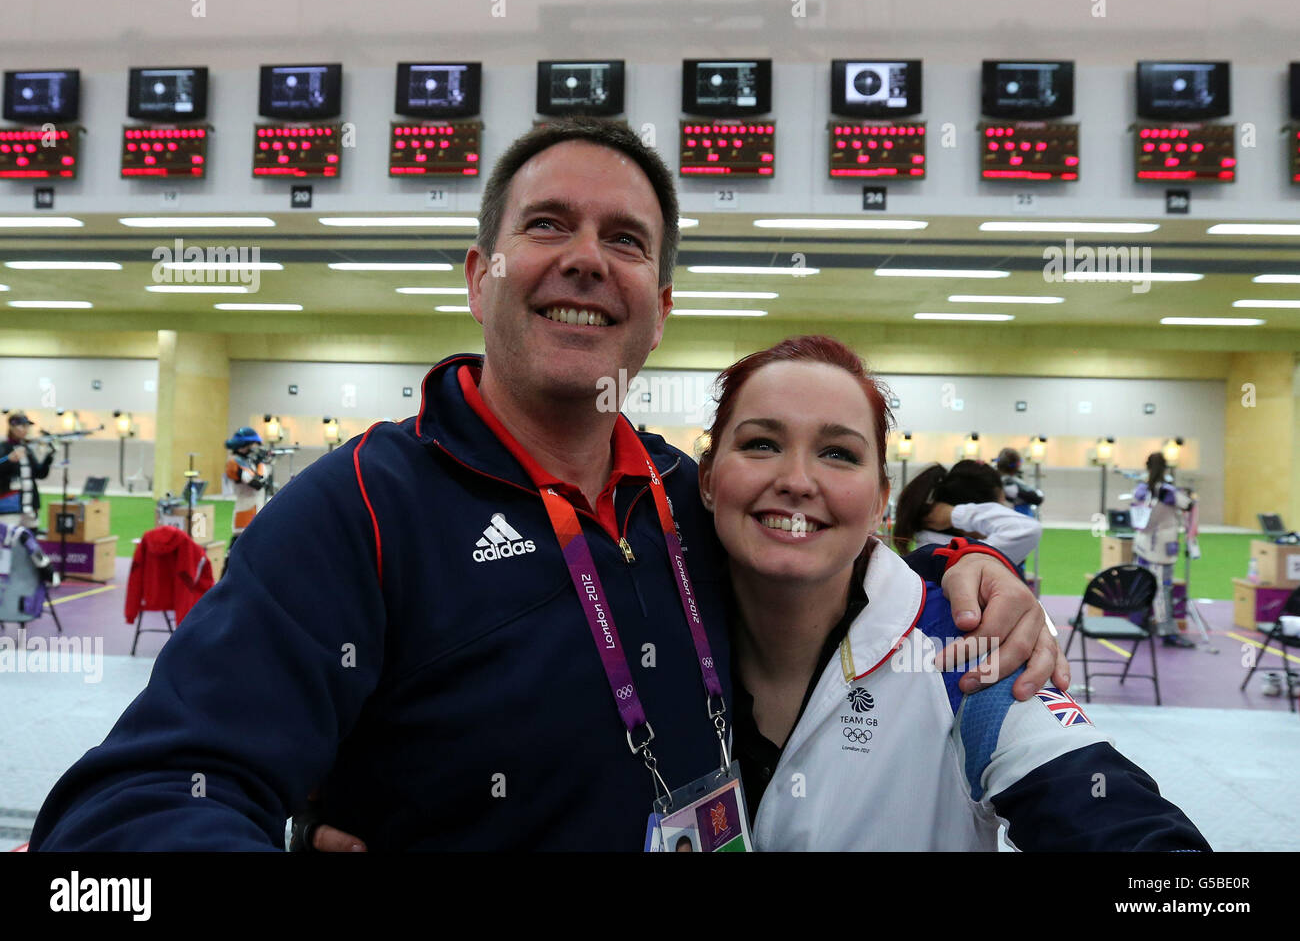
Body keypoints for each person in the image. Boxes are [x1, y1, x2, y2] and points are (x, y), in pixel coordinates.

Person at [30, 119, 1061, 853]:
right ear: (479, 275)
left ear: (658, 309)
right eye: (547, 226)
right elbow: (152, 794)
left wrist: (963, 566)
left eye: (624, 240)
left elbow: (827, 566)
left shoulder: (682, 494)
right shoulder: (360, 509)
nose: (584, 260)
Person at [702, 336, 1209, 850]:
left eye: (838, 453)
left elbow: (1116, 821)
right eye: (761, 444)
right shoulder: (646, 625)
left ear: (881, 502)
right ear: (705, 478)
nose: (797, 480)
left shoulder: (964, 650)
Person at [892, 459, 1042, 567]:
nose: (999, 513)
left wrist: (953, 514)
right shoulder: (957, 556)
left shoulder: (935, 549)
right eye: (997, 508)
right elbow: (1028, 529)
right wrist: (955, 515)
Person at [1131, 452, 1196, 649]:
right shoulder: (1168, 492)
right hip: (1162, 550)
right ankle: (1168, 633)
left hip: (1141, 545)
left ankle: (1137, 623)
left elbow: (1136, 517)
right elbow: (1189, 506)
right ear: (1166, 468)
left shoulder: (1141, 490)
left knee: (1142, 586)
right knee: (1162, 592)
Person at [0, 413, 54, 531]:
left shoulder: (26, 449)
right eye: (22, 426)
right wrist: (8, 459)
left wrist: (49, 456)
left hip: (29, 505)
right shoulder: (4, 447)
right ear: (12, 427)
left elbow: (39, 474)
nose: (26, 430)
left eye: (27, 426)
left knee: (30, 542)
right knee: (8, 541)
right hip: (10, 505)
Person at [223, 427, 269, 555]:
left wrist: (261, 462)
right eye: (253, 445)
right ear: (244, 445)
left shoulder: (252, 462)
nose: (256, 448)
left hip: (257, 508)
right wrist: (260, 463)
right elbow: (255, 483)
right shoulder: (234, 462)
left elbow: (264, 479)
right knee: (239, 549)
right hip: (244, 511)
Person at [995, 447, 1044, 517]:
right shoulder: (1010, 482)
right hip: (1019, 518)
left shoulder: (996, 480)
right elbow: (1037, 499)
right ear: (1018, 464)